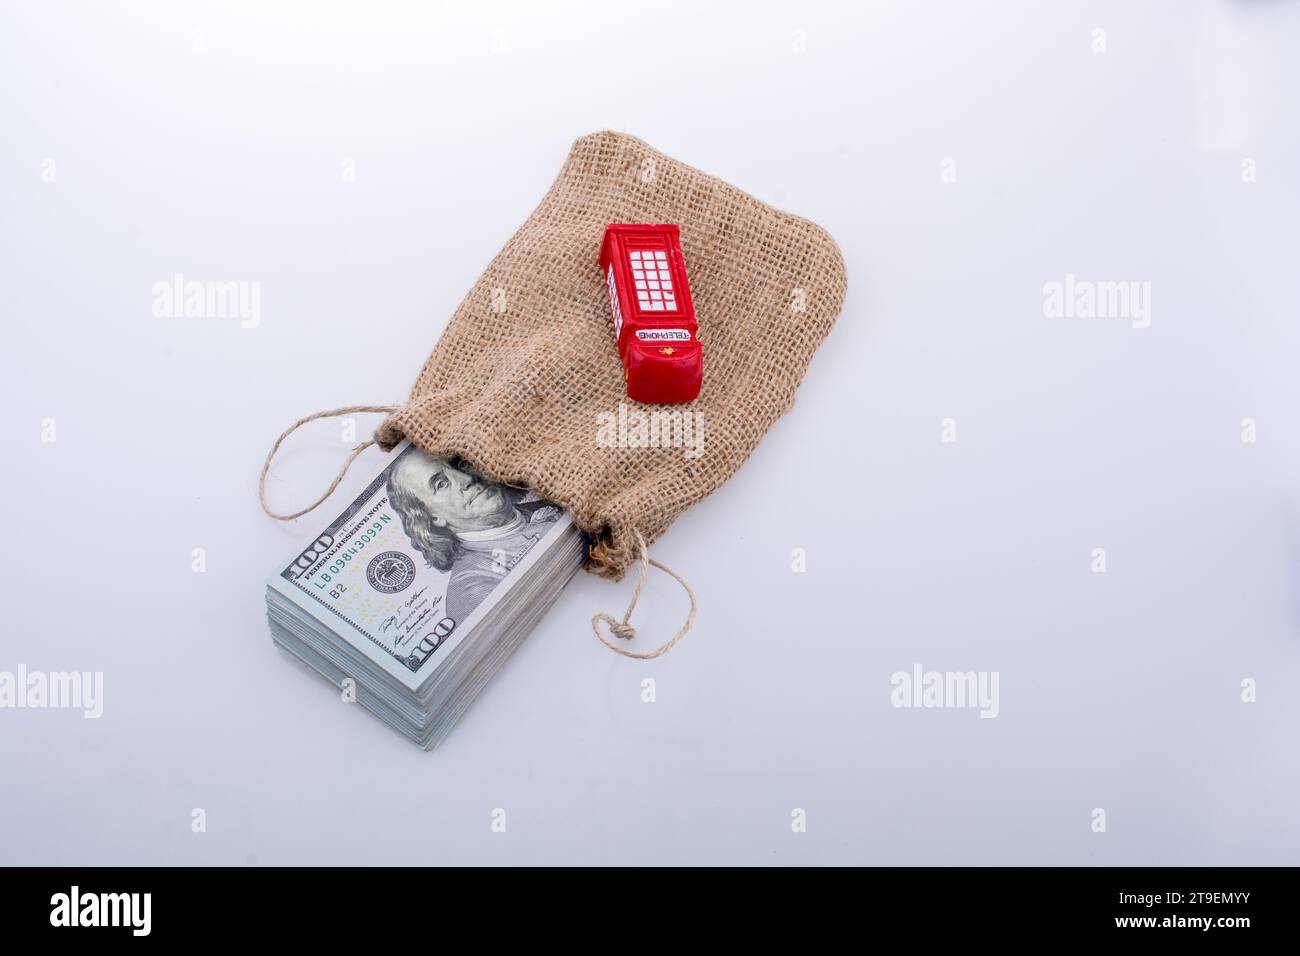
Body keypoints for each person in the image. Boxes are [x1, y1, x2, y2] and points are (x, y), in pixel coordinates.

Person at [386, 450, 560, 625]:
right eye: (441, 484)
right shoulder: (471, 588)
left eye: (457, 465)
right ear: (432, 518)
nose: (466, 479)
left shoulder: (555, 493)